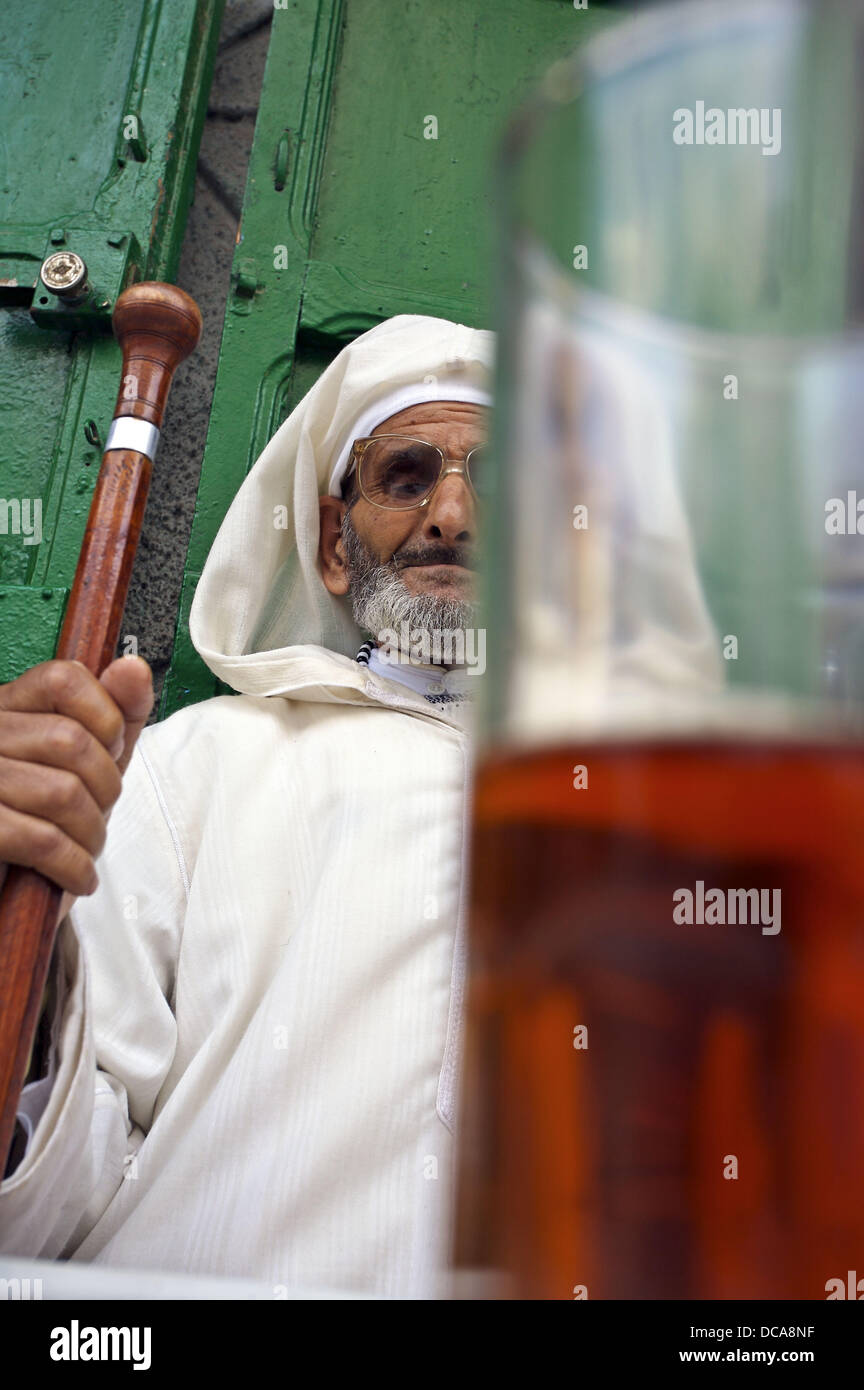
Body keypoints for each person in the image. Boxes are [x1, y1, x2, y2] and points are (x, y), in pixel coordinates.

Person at [0, 314, 492, 1299]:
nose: (451, 515)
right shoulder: (201, 764)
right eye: (406, 476)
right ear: (331, 541)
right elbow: (46, 1204)